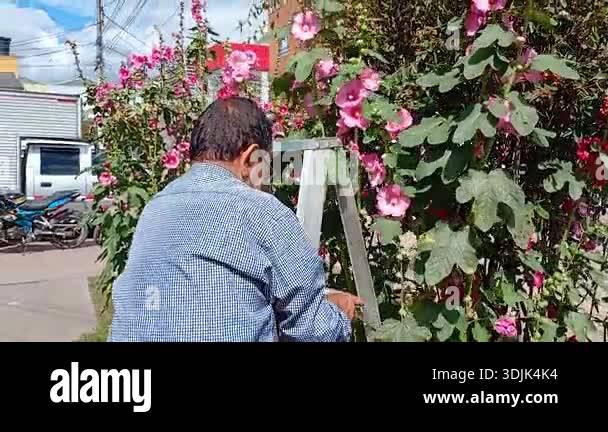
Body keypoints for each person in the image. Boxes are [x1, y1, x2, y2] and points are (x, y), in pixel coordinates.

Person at [109, 97, 362, 342]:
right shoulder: (262, 211)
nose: (265, 180)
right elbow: (311, 331)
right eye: (265, 166)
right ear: (251, 157)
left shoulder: (156, 206)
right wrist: (339, 311)